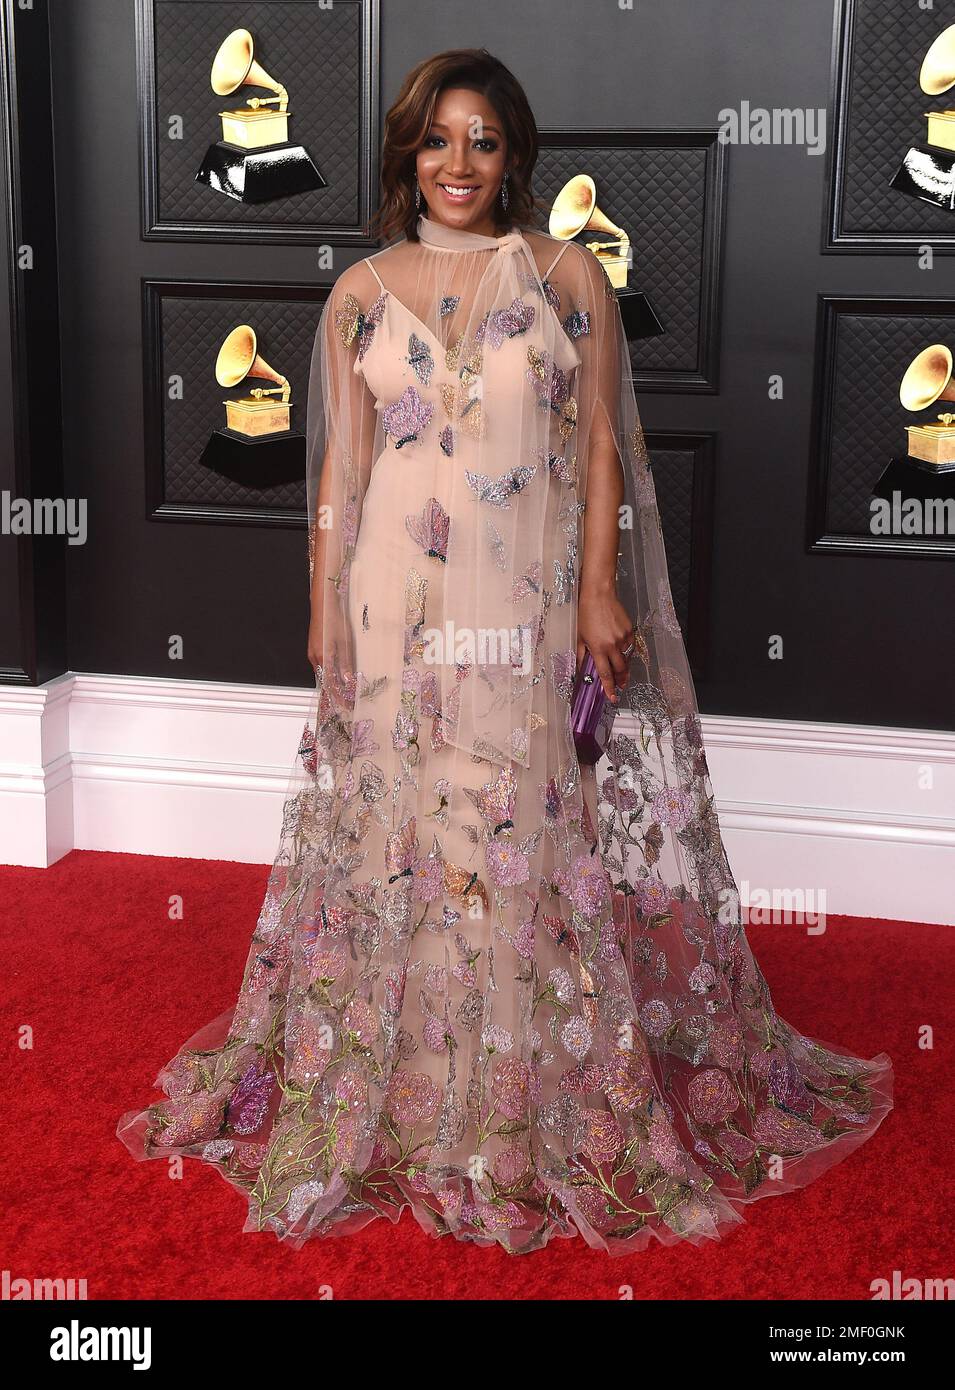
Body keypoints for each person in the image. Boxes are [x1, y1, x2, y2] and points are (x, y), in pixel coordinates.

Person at [118, 49, 893, 1256]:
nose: (459, 163)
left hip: (521, 607)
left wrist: (594, 593)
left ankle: (520, 1070)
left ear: (514, 155)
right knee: (400, 820)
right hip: (389, 601)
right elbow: (341, 477)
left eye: (482, 140)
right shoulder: (360, 295)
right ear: (405, 155)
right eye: (437, 140)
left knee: (512, 813)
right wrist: (325, 614)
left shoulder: (567, 274)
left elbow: (596, 457)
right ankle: (409, 1072)